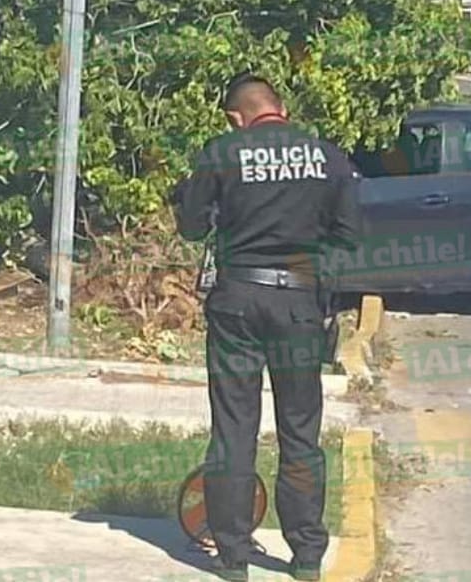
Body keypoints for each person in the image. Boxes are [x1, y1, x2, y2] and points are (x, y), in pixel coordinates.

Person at [171, 71, 362, 581]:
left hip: (237, 300)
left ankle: (233, 555)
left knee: (234, 426)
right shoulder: (328, 157)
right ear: (279, 107)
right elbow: (349, 236)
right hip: (299, 303)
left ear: (237, 117)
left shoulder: (222, 152)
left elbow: (191, 227)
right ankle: (305, 557)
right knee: (301, 430)